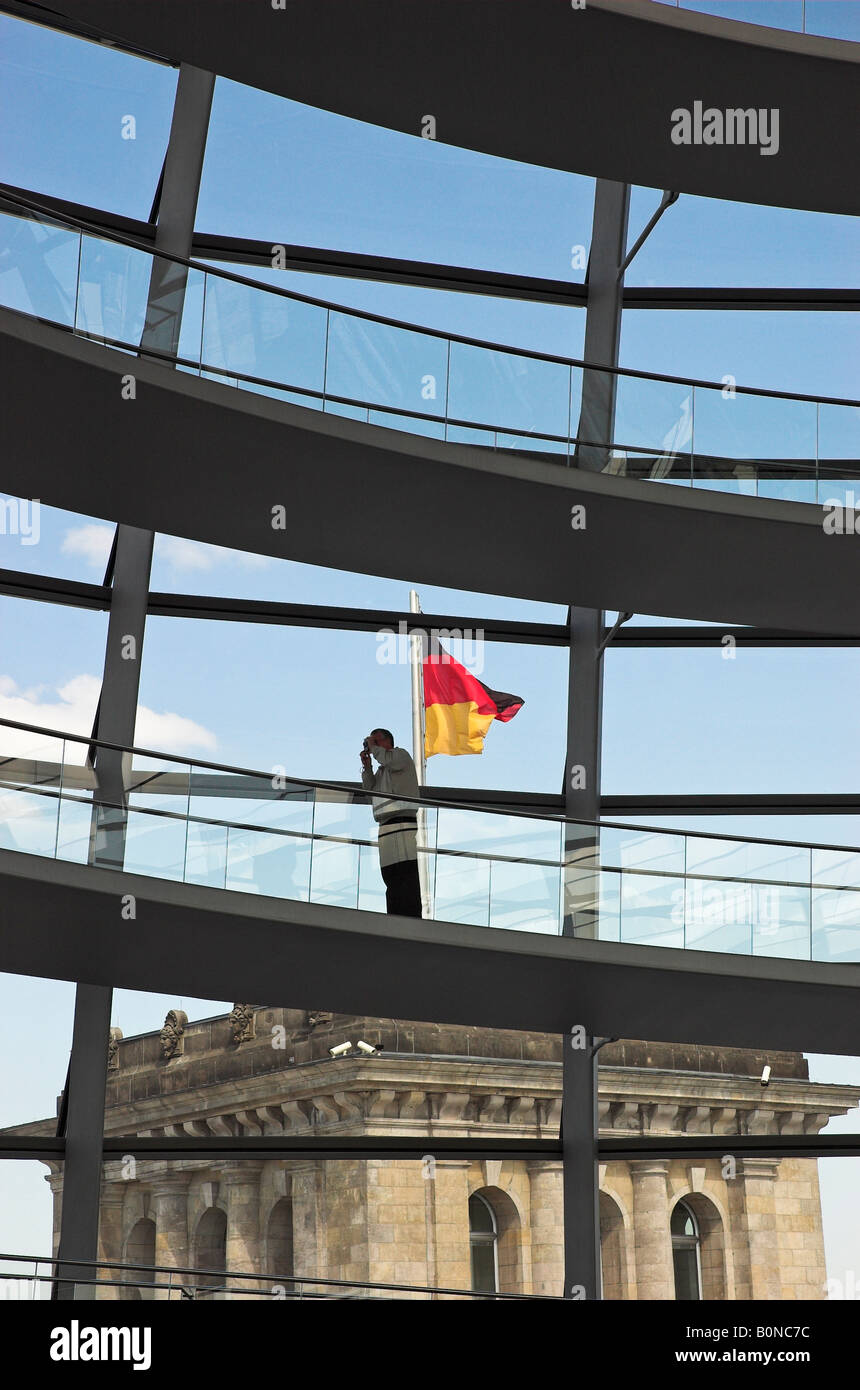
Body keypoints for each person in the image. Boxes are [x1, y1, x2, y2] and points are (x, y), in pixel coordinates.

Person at [360, 728, 422, 918]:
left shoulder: (400, 755)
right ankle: (394, 913)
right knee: (390, 873)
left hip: (402, 821)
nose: (373, 746)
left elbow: (389, 760)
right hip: (385, 824)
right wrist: (368, 766)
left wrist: (374, 749)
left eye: (376, 741)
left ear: (387, 741)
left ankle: (410, 915)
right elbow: (369, 789)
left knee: (405, 871)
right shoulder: (381, 770)